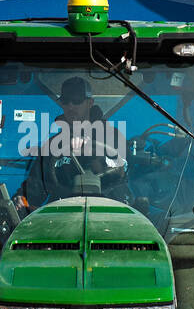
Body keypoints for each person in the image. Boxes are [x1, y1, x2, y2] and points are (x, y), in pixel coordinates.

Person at [14, 76, 128, 210]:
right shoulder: (53, 145)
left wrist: (93, 154)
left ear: (90, 102)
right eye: (65, 101)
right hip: (62, 216)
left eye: (77, 100)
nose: (71, 106)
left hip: (108, 213)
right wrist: (22, 198)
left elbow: (123, 172)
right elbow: (36, 187)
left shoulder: (112, 136)